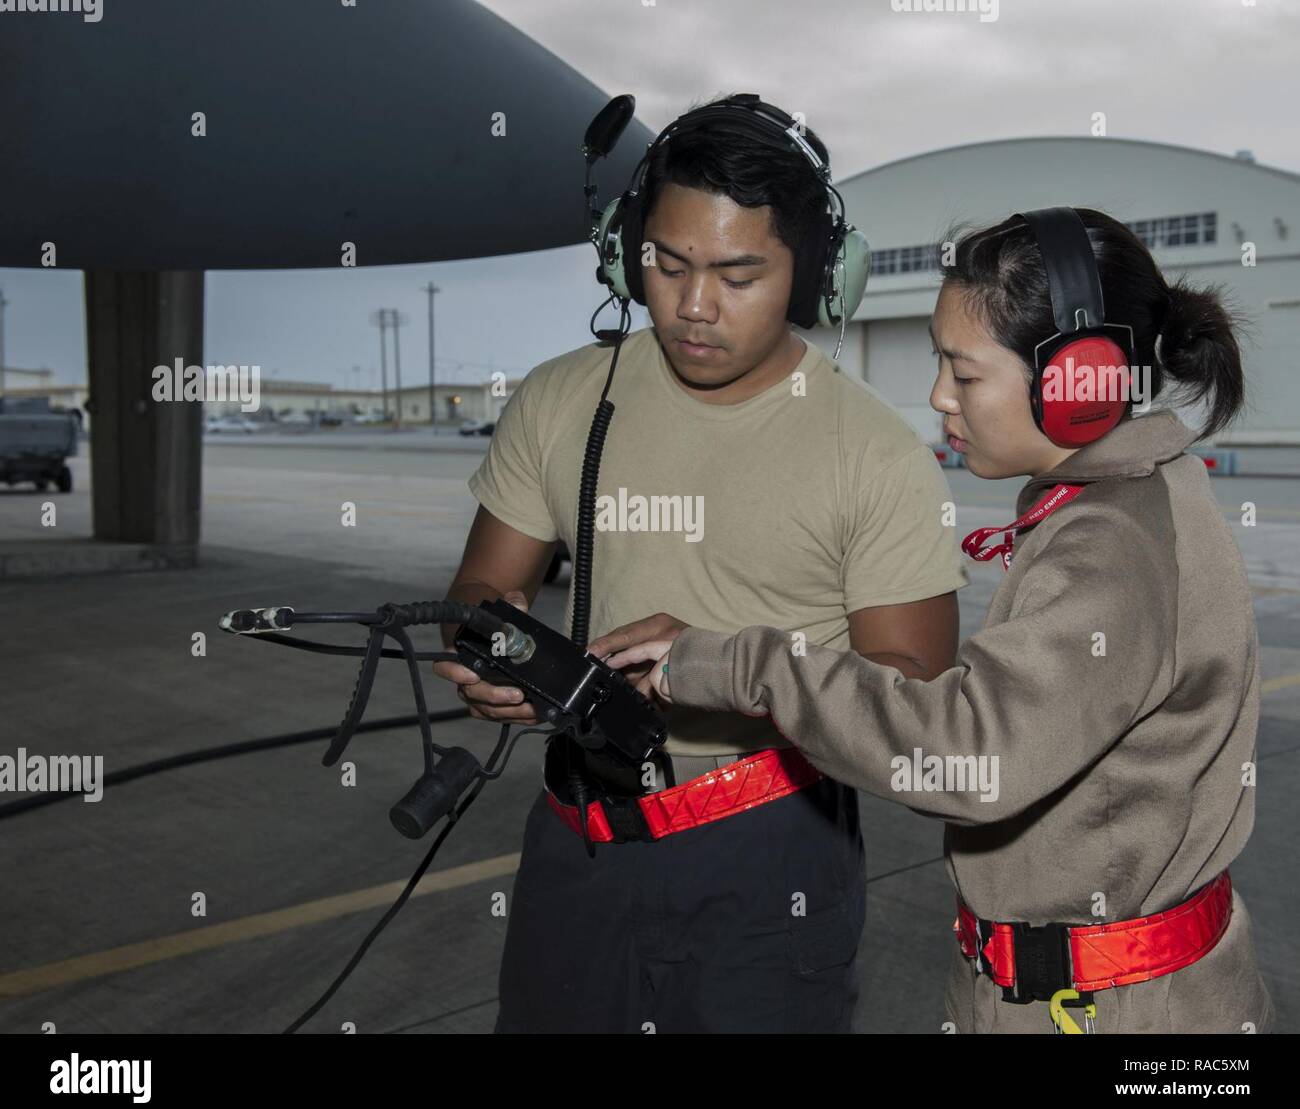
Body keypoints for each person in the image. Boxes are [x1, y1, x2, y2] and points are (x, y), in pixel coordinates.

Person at [609, 207, 1276, 1034]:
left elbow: (969, 757)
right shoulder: (1140, 497)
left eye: (964, 374)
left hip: (1118, 1012)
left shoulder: (1111, 543)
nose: (937, 397)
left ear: (1080, 381)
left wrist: (737, 663)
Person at [432, 93, 969, 1033]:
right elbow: (477, 588)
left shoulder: (875, 454)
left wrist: (733, 667)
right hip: (577, 844)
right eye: (667, 264)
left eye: (738, 273)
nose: (693, 305)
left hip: (768, 862)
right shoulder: (563, 400)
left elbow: (914, 707)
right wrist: (493, 647)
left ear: (814, 276)